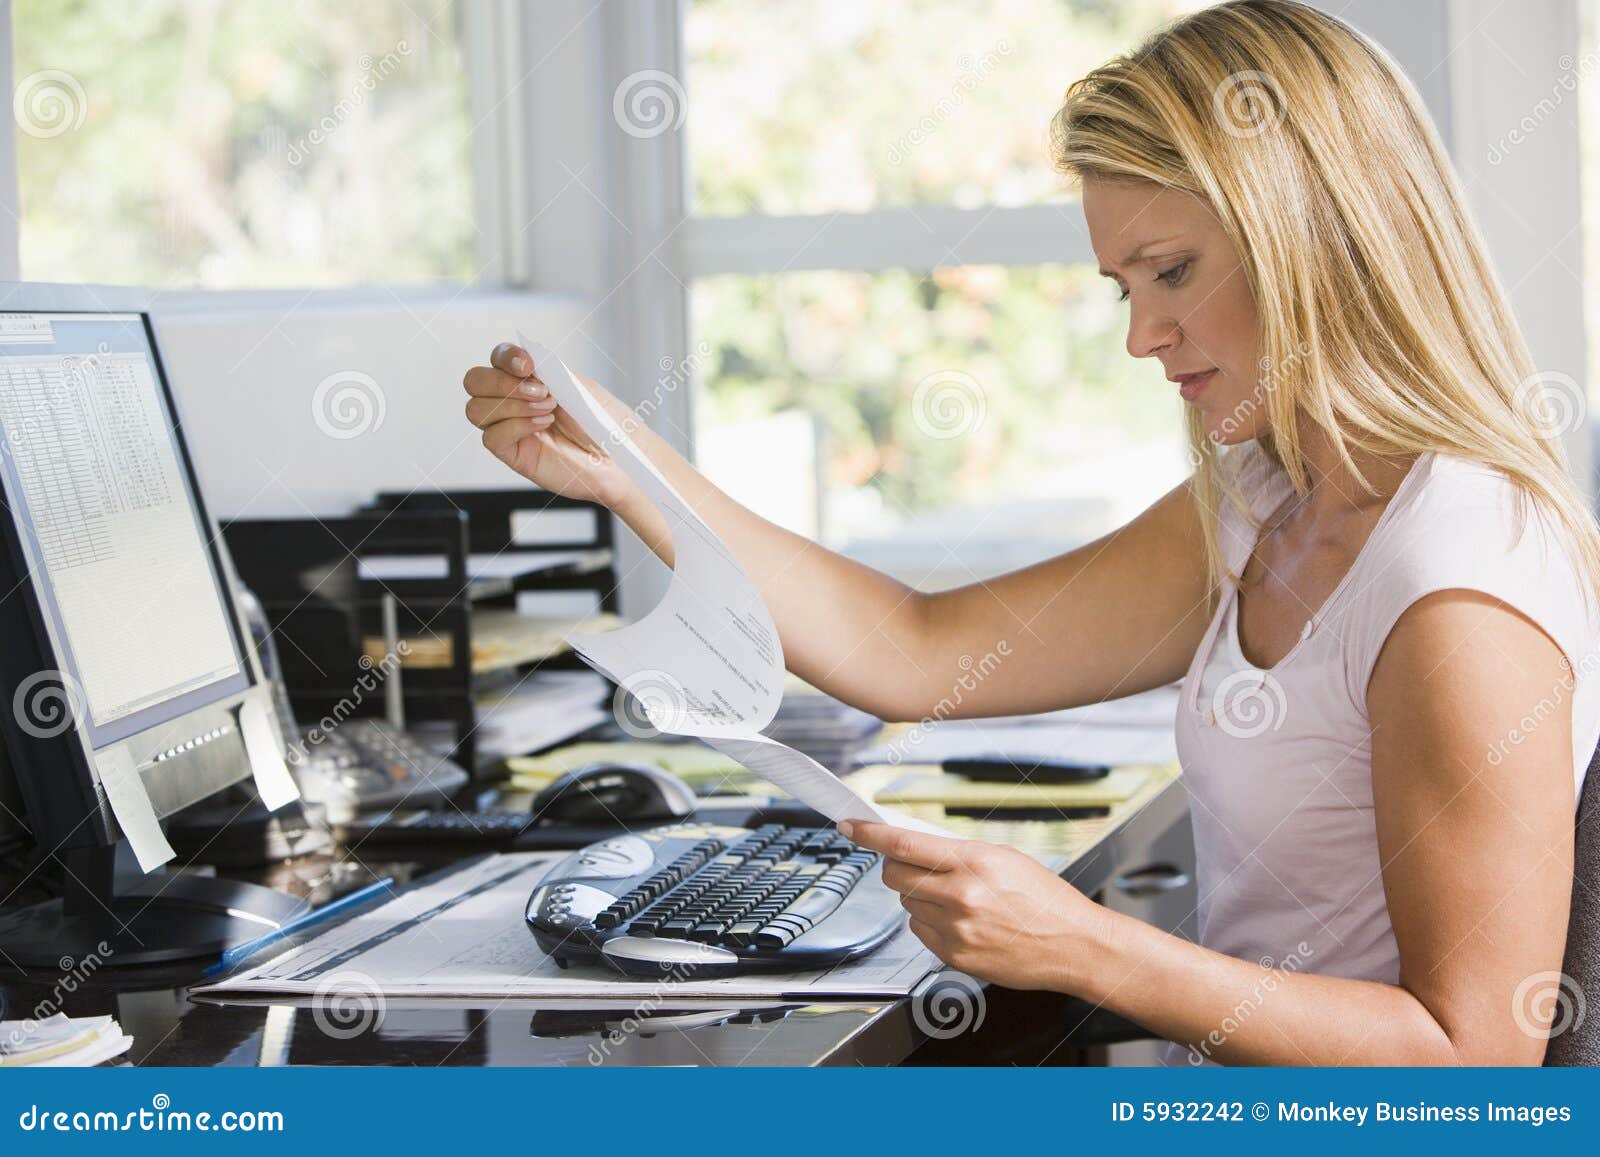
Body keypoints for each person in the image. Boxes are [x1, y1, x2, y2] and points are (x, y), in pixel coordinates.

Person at [462, 0, 1600, 1065]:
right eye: (1123, 287)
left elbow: (1476, 1063)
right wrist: (628, 466)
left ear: (1320, 238)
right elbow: (915, 648)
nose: (1142, 336)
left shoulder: (1456, 580)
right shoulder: (1267, 502)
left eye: (1172, 272)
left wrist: (1085, 945)